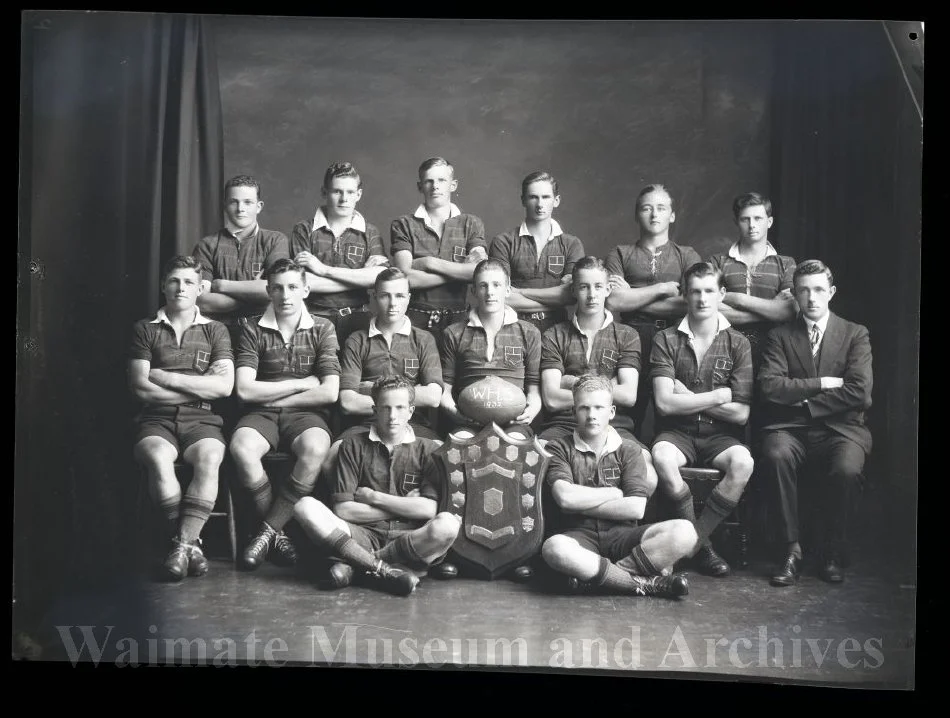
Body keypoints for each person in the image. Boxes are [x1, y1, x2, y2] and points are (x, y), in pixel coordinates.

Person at [757, 260, 872, 586]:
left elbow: (860, 392)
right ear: (794, 294)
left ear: (831, 292)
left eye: (819, 289)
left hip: (843, 429)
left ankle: (832, 551)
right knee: (776, 454)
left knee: (848, 468)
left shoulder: (855, 334)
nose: (811, 297)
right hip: (790, 429)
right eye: (804, 290)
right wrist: (824, 383)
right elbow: (770, 387)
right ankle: (790, 551)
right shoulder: (780, 336)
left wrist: (805, 404)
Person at [294, 376, 461, 596]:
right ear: (375, 409)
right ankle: (386, 571)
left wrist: (374, 497)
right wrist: (407, 504)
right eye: (386, 408)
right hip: (362, 535)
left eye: (400, 408)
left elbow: (428, 510)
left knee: (448, 524)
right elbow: (344, 510)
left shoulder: (428, 449)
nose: (393, 416)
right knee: (304, 506)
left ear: (411, 411)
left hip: (411, 536)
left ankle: (358, 565)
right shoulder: (352, 445)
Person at [231, 258, 341, 570]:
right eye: (277, 288)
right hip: (262, 416)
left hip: (306, 416)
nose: (285, 295)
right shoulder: (252, 328)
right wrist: (303, 383)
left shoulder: (323, 327)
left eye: (293, 287)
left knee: (317, 448)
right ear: (268, 290)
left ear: (306, 289)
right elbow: (244, 390)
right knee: (241, 448)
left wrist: (273, 394)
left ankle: (266, 534)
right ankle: (278, 536)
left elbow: (330, 392)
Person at [129, 256, 235, 581]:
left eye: (188, 282)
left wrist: (168, 377)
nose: (180, 288)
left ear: (200, 288)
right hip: (155, 419)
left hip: (202, 421)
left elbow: (225, 387)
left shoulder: (216, 330)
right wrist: (200, 387)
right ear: (163, 285)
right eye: (174, 281)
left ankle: (181, 545)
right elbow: (140, 389)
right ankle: (190, 546)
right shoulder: (145, 329)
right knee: (158, 458)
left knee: (210, 456)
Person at [540, 375, 693, 598]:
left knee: (685, 533)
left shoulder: (629, 450)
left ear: (611, 412)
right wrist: (612, 493)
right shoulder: (558, 448)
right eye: (584, 408)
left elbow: (636, 508)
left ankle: (605, 578)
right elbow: (565, 498)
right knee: (554, 548)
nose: (592, 415)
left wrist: (578, 503)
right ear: (573, 412)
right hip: (579, 537)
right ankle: (643, 584)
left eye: (599, 408)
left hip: (623, 536)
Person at [650, 262, 755, 577]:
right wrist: (716, 396)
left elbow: (741, 413)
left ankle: (694, 544)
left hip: (719, 437)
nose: (702, 298)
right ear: (685, 294)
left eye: (709, 291)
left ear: (722, 294)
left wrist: (688, 396)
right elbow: (665, 404)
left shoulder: (738, 343)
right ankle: (705, 548)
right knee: (661, 457)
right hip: (677, 433)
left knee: (744, 462)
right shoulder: (665, 339)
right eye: (695, 291)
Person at [538, 256, 658, 488]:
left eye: (598, 287)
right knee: (533, 465)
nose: (592, 295)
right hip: (563, 425)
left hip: (615, 425)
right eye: (584, 287)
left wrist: (571, 381)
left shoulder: (626, 335)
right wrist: (607, 386)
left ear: (608, 289)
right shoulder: (554, 335)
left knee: (649, 476)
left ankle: (617, 521)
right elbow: (551, 399)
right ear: (574, 290)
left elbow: (629, 395)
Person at [605, 184, 702, 437]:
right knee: (627, 418)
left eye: (661, 208)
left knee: (671, 422)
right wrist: (662, 289)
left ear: (671, 215)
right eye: (647, 208)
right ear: (637, 214)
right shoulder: (620, 253)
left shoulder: (687, 255)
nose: (654, 214)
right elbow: (613, 301)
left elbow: (690, 303)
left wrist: (632, 294)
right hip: (629, 341)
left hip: (674, 342)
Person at [329, 267, 443, 471]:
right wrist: (407, 396)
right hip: (366, 424)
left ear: (408, 298)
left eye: (399, 296)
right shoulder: (357, 340)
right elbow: (348, 402)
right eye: (385, 296)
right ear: (374, 297)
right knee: (331, 457)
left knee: (445, 460)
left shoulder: (424, 339)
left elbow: (433, 397)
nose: (393, 304)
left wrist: (368, 389)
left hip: (413, 422)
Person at [390, 157, 488, 346]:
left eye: (441, 180)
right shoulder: (404, 224)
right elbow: (404, 278)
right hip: (415, 320)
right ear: (420, 186)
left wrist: (428, 263)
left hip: (460, 320)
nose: (435, 186)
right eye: (429, 181)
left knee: (454, 374)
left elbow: (479, 272)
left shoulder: (471, 224)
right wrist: (460, 271)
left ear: (453, 185)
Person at [439, 258, 543, 436]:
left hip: (513, 423)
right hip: (469, 421)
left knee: (515, 442)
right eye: (483, 286)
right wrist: (455, 413)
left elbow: (533, 390)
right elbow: (445, 390)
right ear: (473, 290)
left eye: (496, 285)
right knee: (463, 442)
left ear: (508, 289)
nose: (490, 292)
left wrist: (530, 411)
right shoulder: (453, 333)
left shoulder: (529, 333)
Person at [290, 161, 389, 337]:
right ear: (324, 192)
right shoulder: (304, 229)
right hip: (314, 318)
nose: (344, 199)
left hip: (358, 319)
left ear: (358, 194)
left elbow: (379, 278)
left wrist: (323, 270)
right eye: (337, 191)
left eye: (350, 192)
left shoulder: (370, 232)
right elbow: (301, 283)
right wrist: (359, 277)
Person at [708, 192, 798, 368]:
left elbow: (788, 311)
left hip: (774, 351)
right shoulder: (717, 262)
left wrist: (736, 299)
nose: (752, 225)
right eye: (745, 219)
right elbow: (709, 307)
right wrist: (770, 310)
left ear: (769, 222)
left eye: (758, 218)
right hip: (725, 350)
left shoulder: (786, 264)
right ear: (736, 222)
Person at [489, 171, 585, 335]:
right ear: (523, 200)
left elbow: (570, 295)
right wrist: (555, 300)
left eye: (546, 197)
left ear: (556, 201)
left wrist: (521, 292)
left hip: (558, 332)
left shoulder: (571, 244)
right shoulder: (504, 242)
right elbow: (502, 296)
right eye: (533, 197)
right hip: (513, 330)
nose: (540, 204)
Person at [193, 175, 290, 327]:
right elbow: (201, 301)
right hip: (218, 330)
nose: (240, 209)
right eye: (234, 202)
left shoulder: (275, 241)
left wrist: (221, 286)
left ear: (259, 206)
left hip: (263, 331)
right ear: (225, 205)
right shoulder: (207, 245)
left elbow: (278, 292)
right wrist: (255, 294)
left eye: (248, 202)